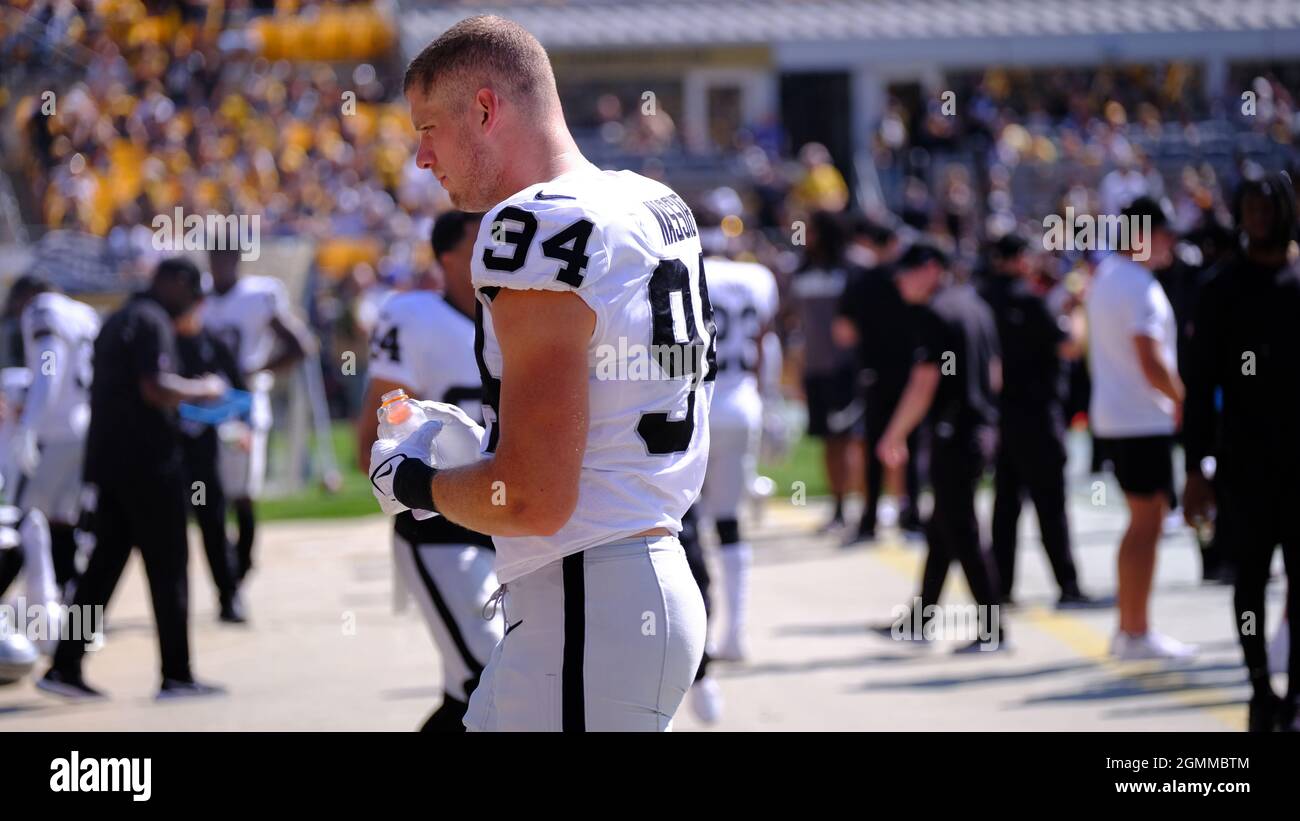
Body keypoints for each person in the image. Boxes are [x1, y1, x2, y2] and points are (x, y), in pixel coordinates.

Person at [369, 16, 708, 731]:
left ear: (486, 110)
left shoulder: (531, 226)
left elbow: (531, 498)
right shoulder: (649, 202)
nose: (422, 156)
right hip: (629, 580)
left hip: (589, 599)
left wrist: (414, 483)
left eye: (429, 126)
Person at [38, 258, 228, 700]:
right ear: (173, 282)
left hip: (109, 464)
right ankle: (177, 674)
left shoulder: (119, 317)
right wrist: (207, 389)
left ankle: (65, 665)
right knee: (169, 566)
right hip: (148, 465)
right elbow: (155, 387)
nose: (194, 302)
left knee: (101, 569)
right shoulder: (151, 319)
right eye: (192, 291)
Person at [355, 210, 503, 732]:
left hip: (510, 526)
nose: (494, 251)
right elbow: (371, 443)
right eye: (478, 242)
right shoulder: (413, 315)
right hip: (441, 527)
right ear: (445, 257)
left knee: (473, 690)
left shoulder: (520, 312)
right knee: (492, 684)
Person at [1183, 171, 1300, 731]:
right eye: (1248, 207)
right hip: (1246, 465)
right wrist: (1195, 469)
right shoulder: (1219, 290)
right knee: (1248, 581)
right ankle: (1259, 685)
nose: (1258, 218)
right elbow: (1200, 387)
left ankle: (1296, 694)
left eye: (1266, 207)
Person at [874, 243, 1006, 653]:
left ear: (931, 269)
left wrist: (893, 435)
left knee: (962, 529)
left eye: (907, 272)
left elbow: (924, 383)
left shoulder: (937, 313)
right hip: (979, 428)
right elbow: (995, 374)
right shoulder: (973, 306)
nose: (899, 281)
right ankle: (921, 619)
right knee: (942, 527)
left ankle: (993, 629)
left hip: (956, 433)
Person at [1085, 196, 1196, 661]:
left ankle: (1130, 628)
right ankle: (1134, 629)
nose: (1170, 243)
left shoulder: (1108, 276)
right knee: (1145, 523)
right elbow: (1151, 360)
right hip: (1140, 418)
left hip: (1118, 415)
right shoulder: (1139, 285)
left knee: (1141, 522)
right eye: (1164, 234)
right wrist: (1181, 398)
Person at [979, 234, 1093, 608]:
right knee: (1050, 504)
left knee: (1006, 506)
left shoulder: (983, 298)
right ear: (1020, 259)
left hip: (1002, 415)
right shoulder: (1031, 301)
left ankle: (1002, 586)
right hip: (1039, 417)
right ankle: (1068, 584)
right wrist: (1076, 309)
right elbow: (1069, 345)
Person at [202, 248, 315, 583]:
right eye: (215, 257)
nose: (220, 264)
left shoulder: (257, 295)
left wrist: (255, 369)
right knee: (210, 493)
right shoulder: (199, 295)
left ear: (238, 259)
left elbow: (300, 345)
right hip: (204, 409)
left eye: (226, 257)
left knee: (242, 492)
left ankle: (242, 564)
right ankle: (226, 570)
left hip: (244, 407)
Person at [696, 236, 779, 667]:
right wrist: (771, 406)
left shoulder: (684, 266)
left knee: (683, 526)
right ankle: (735, 632)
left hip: (698, 405)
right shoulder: (756, 277)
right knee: (729, 523)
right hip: (742, 402)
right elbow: (766, 346)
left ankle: (696, 635)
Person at [2, 277, 100, 599]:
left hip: (53, 433)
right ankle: (69, 608)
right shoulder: (85, 314)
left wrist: (30, 423)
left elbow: (49, 367)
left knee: (21, 520)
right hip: (84, 430)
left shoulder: (43, 309)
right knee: (63, 522)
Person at [835, 217, 924, 542]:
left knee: (874, 442)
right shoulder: (909, 277)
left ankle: (869, 518)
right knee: (910, 440)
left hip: (872, 371)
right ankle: (910, 513)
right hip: (910, 370)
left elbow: (843, 332)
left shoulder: (860, 280)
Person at [790, 210, 862, 532]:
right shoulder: (801, 270)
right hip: (815, 368)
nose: (805, 236)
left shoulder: (852, 269)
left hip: (845, 369)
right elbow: (794, 323)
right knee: (828, 441)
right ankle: (838, 508)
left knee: (848, 439)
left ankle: (858, 505)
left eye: (811, 230)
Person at [174, 308, 246, 624]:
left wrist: (240, 422)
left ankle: (229, 596)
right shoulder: (166, 338)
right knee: (167, 529)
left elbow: (240, 391)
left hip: (205, 445)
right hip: (169, 447)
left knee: (213, 522)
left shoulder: (212, 341)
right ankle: (174, 605)